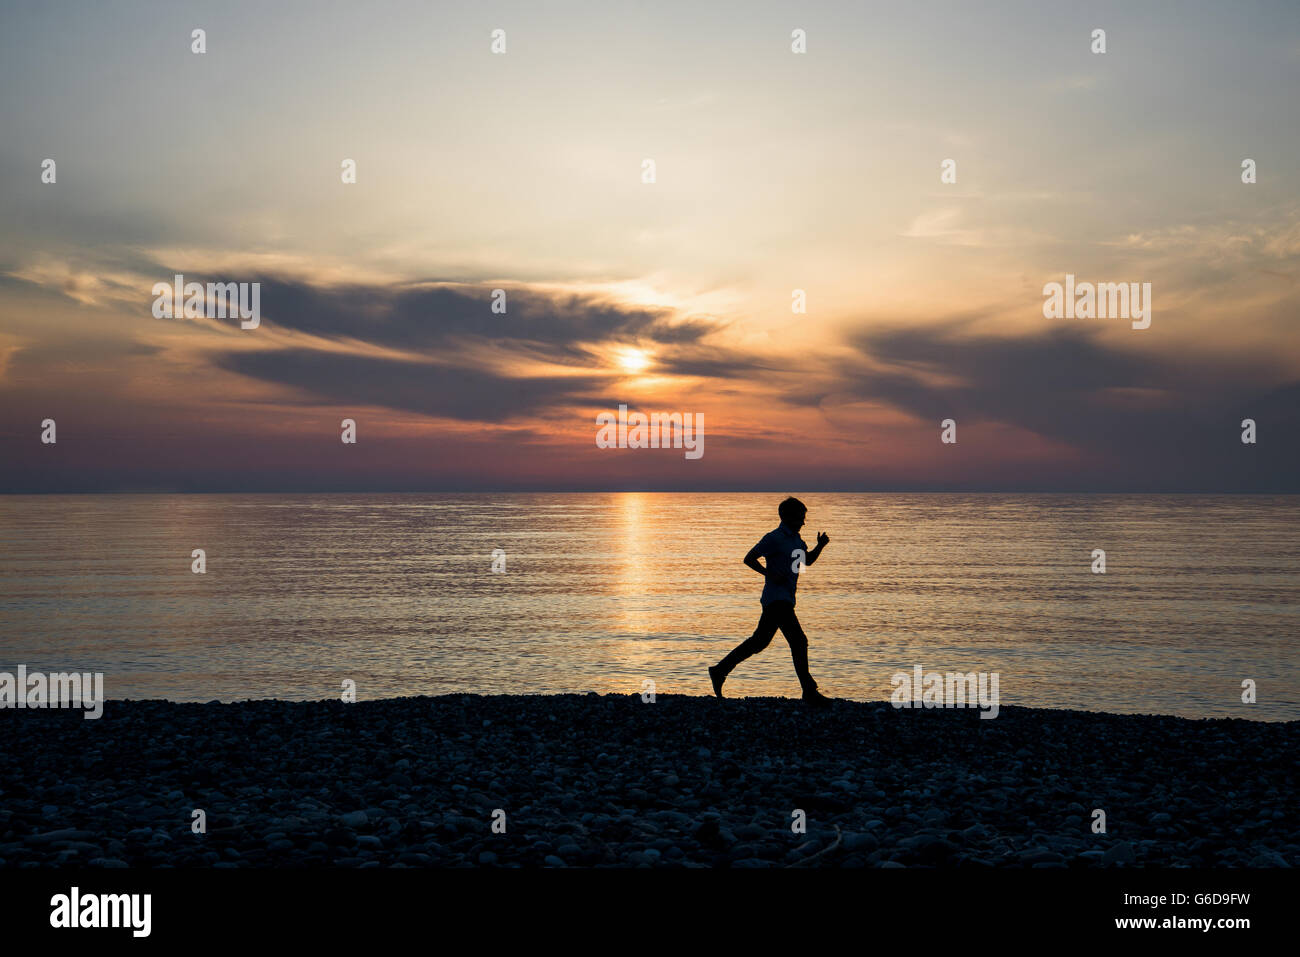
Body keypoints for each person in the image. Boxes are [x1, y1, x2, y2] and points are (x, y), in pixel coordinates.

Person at [709, 496, 832, 706]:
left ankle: (720, 670)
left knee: (760, 641)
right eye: (801, 517)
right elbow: (749, 558)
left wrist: (820, 546)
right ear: (789, 517)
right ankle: (809, 691)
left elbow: (805, 562)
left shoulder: (797, 541)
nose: (804, 521)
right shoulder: (774, 538)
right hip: (776, 599)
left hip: (786, 599)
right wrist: (769, 574)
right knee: (798, 641)